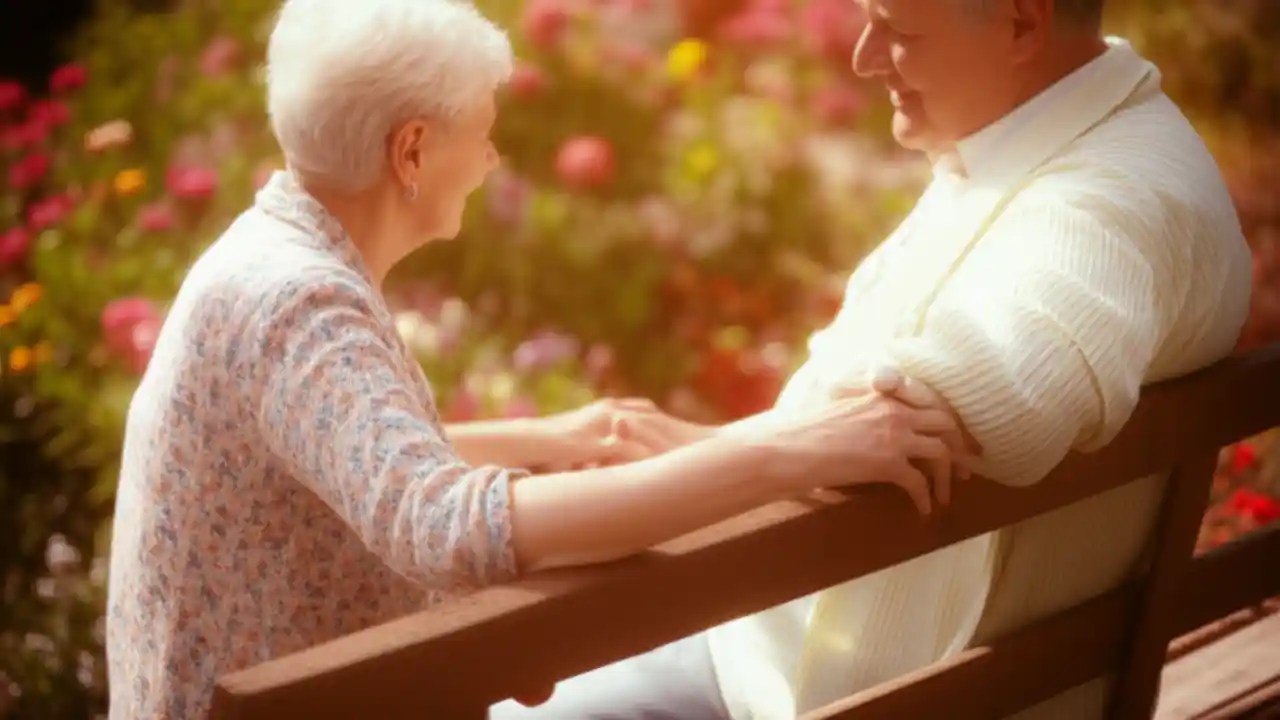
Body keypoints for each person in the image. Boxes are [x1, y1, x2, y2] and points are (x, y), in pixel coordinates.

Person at [102, 1, 974, 718]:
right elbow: (442, 525)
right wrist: (791, 449)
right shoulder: (300, 302)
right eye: (483, 134)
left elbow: (346, 456)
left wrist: (550, 437)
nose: (490, 159)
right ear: (411, 151)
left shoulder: (271, 253)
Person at [490, 0, 1254, 718]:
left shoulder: (1107, 202)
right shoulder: (1044, 142)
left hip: (824, 689)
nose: (863, 57)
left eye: (897, 29)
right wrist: (727, 446)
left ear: (1023, 22)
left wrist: (733, 454)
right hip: (781, 645)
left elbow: (969, 396)